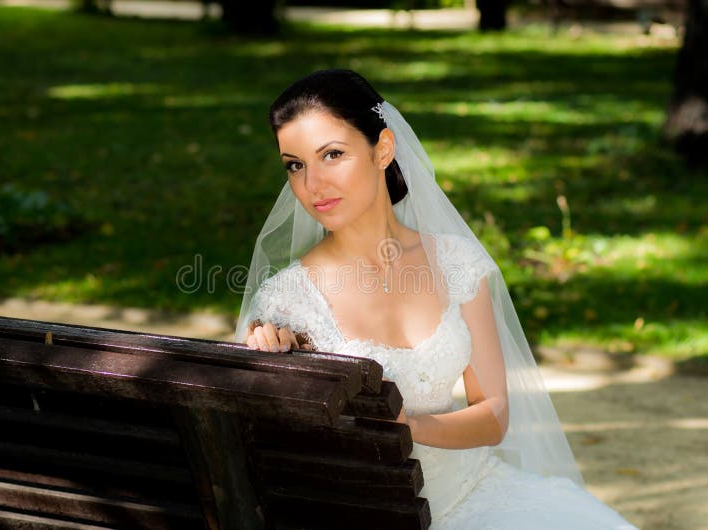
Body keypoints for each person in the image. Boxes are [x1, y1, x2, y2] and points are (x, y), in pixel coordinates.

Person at [235, 69, 638, 529]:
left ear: (382, 149)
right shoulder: (286, 301)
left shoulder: (457, 263)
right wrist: (274, 368)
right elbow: (282, 462)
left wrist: (410, 426)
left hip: (476, 495)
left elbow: (493, 414)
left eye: (332, 154)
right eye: (295, 165)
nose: (313, 184)